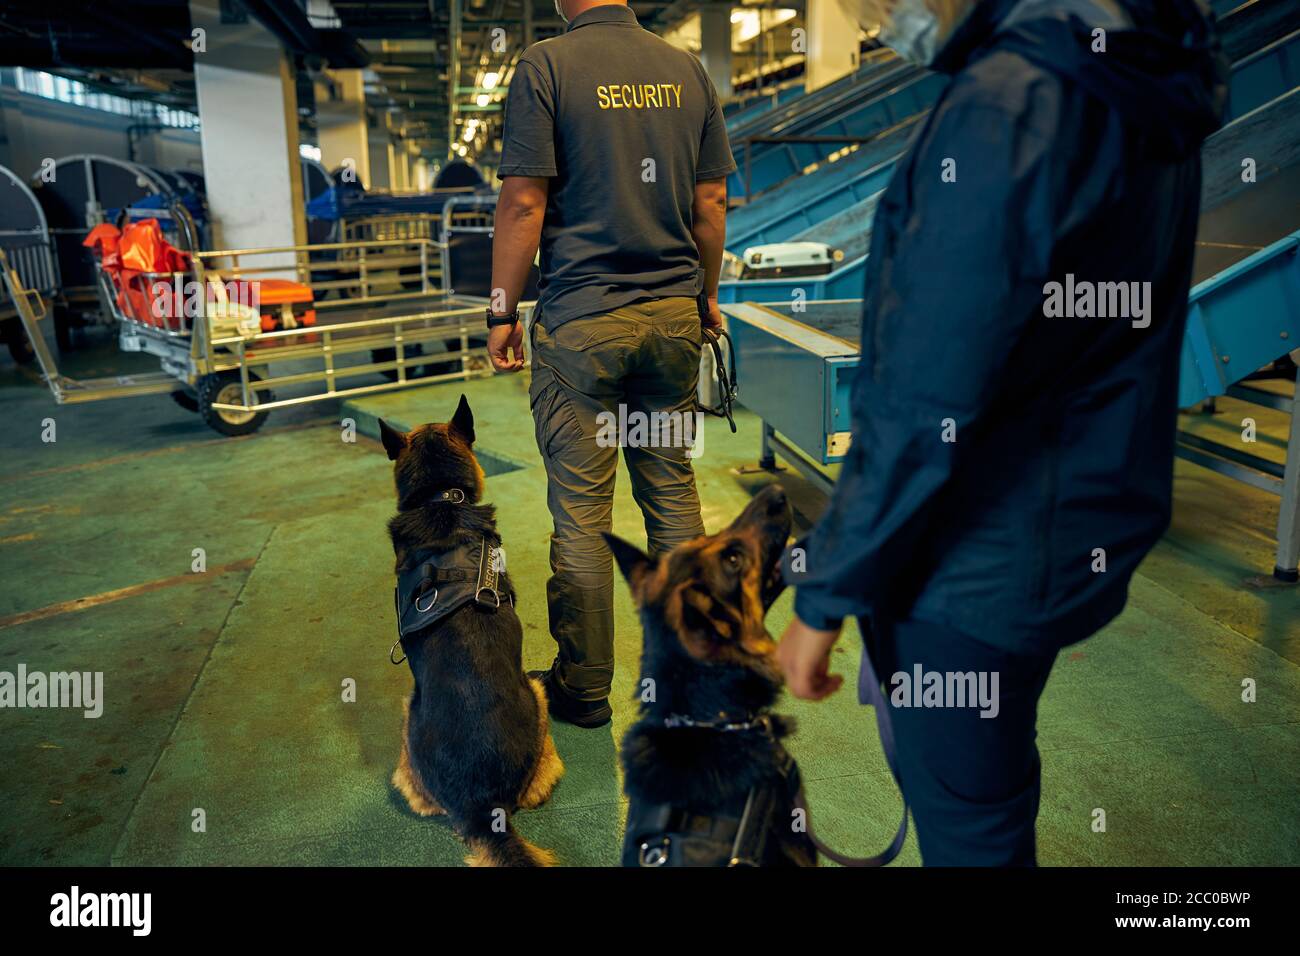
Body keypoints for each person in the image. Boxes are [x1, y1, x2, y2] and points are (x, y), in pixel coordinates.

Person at [776, 0, 1227, 864]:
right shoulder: (1142, 72)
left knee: (970, 827)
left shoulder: (1009, 98)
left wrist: (827, 591)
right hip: (1057, 527)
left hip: (969, 559)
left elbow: (925, 393)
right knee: (989, 791)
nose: (880, 20)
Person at [486, 0, 736, 726]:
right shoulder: (685, 68)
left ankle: (584, 688)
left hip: (584, 328)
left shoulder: (548, 65)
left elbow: (523, 204)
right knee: (672, 495)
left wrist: (502, 309)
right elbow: (712, 202)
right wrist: (705, 296)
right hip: (670, 327)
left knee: (584, 519)